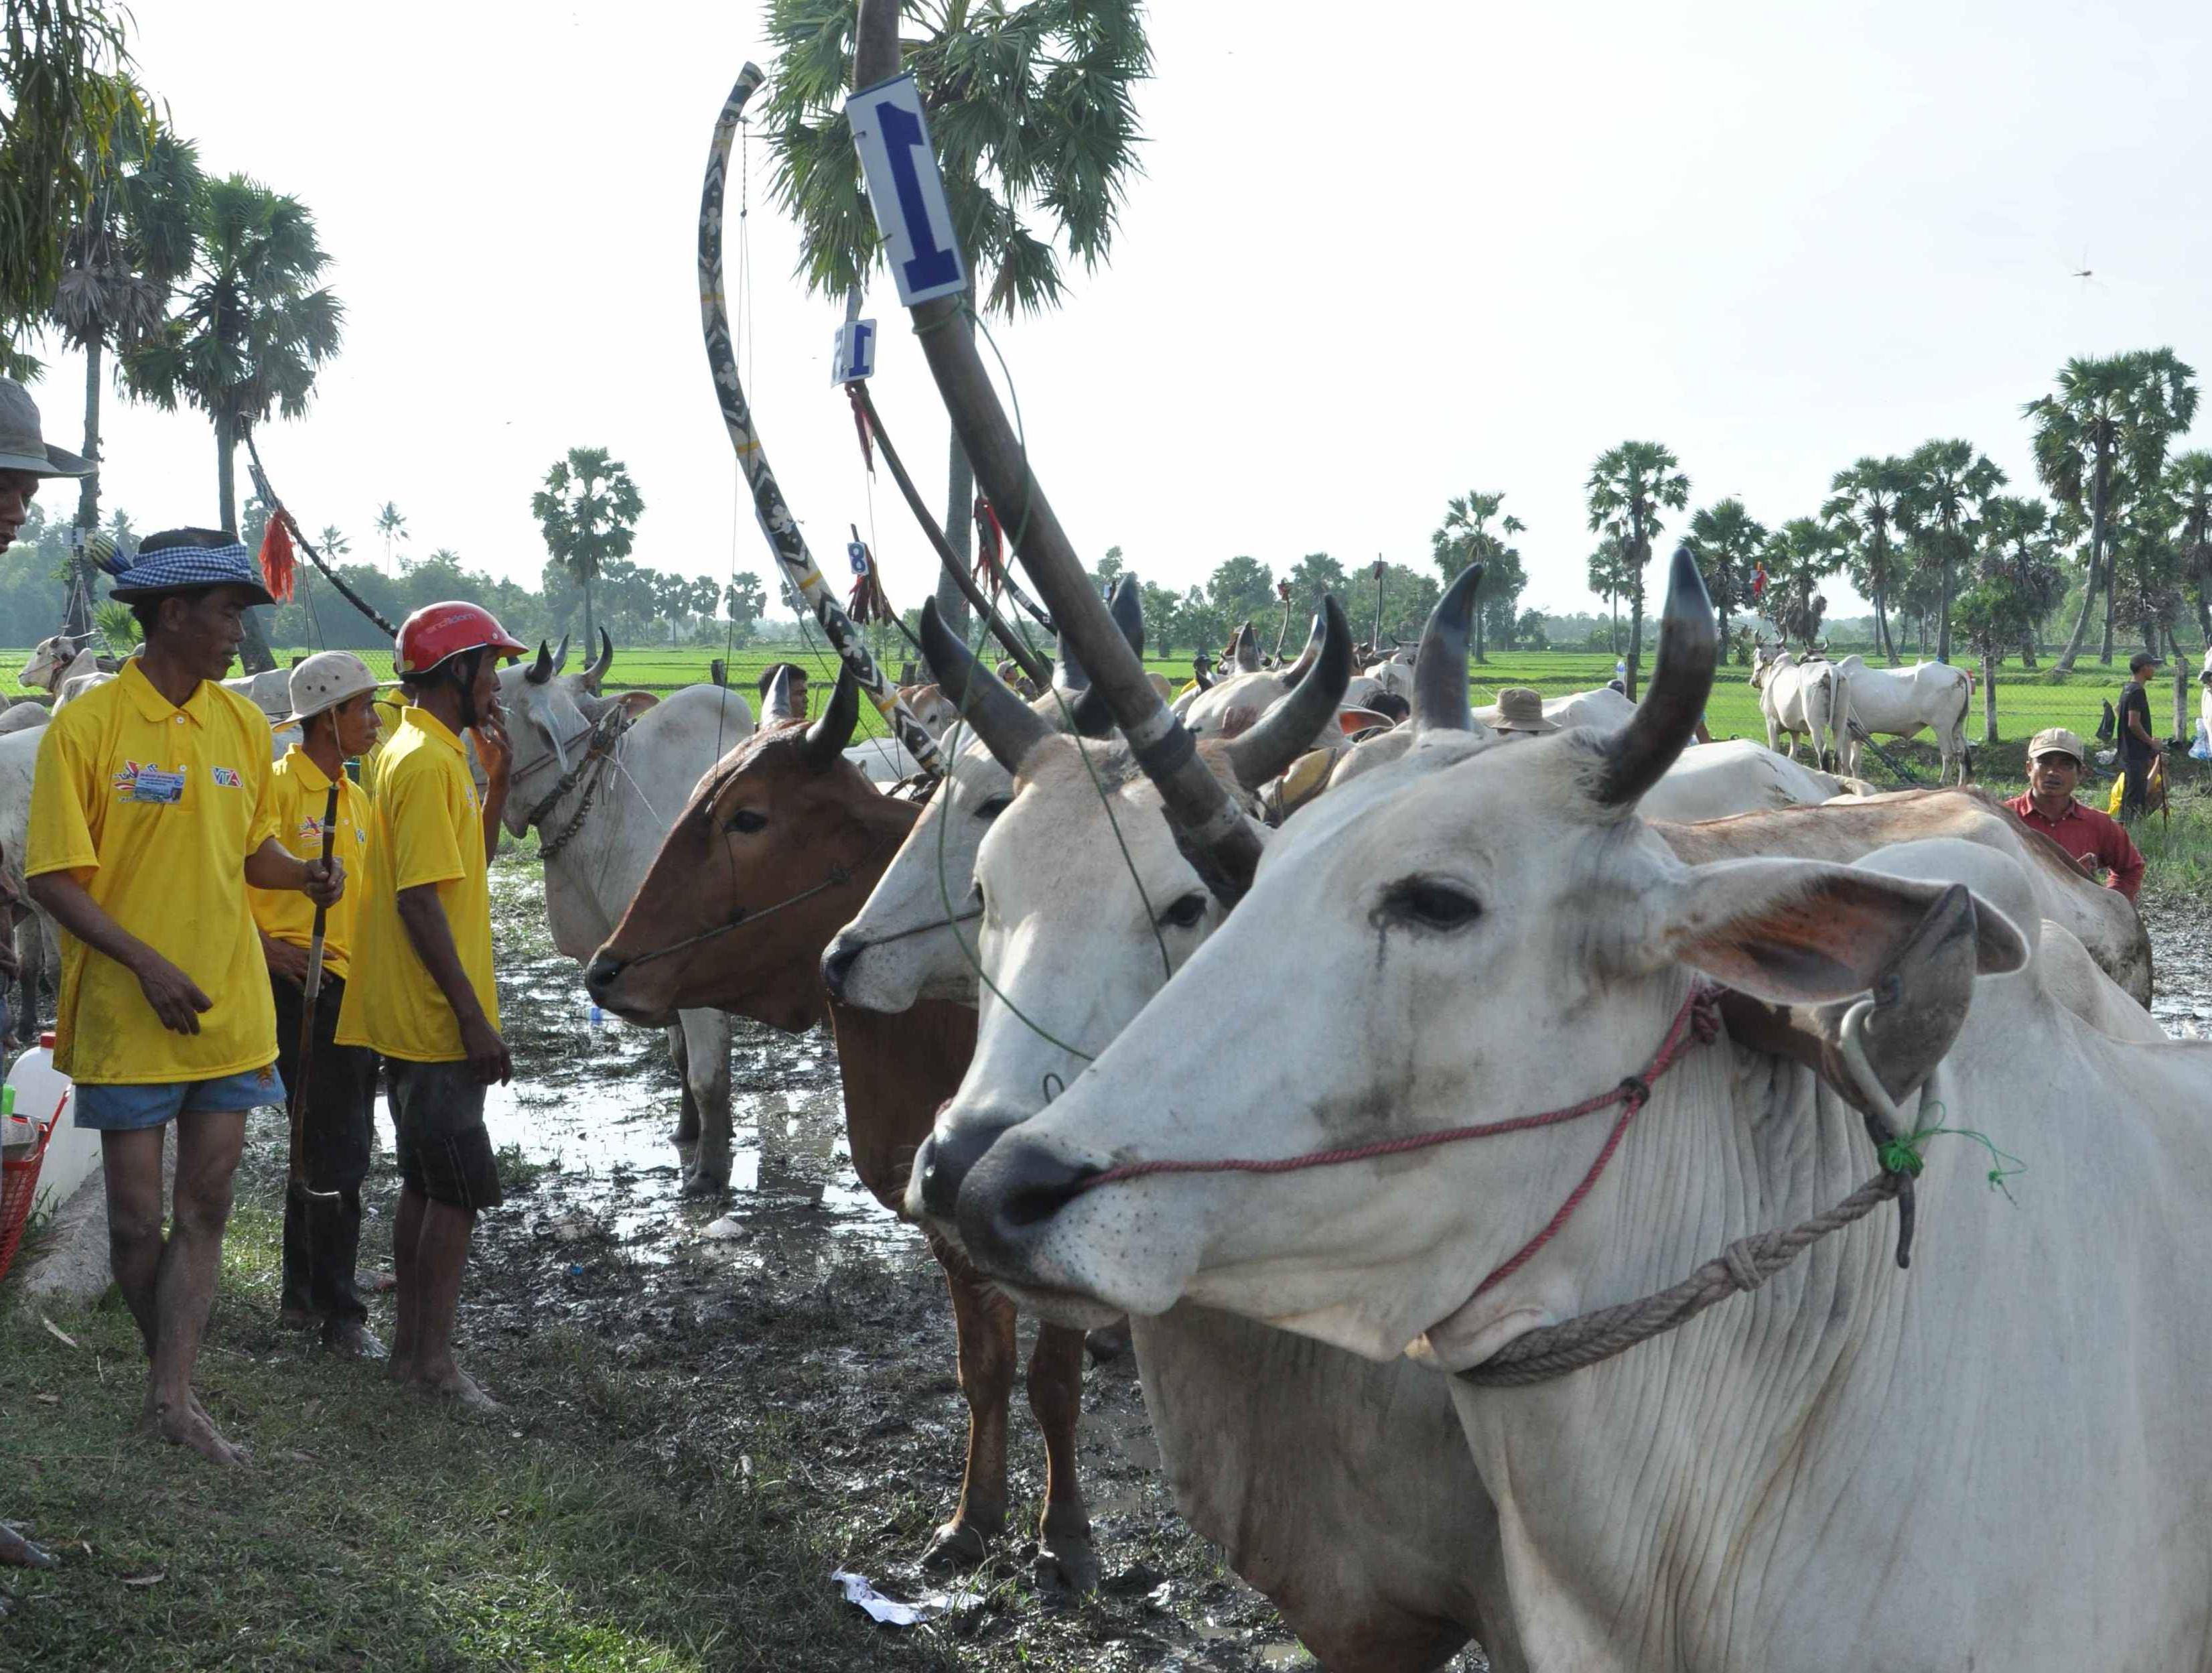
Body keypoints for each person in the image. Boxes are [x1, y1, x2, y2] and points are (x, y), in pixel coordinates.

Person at [25, 528, 345, 1466]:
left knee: (204, 1207)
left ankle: (173, 1395)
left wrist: (302, 875)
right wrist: (149, 965)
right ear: (172, 614)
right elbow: (55, 877)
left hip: (233, 1014)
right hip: (131, 1015)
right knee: (134, 1224)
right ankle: (164, 1371)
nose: (237, 636)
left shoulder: (243, 725)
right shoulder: (86, 728)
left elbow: (248, 853)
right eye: (226, 613)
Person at [336, 602, 522, 1410]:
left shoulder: (424, 752)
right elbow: (418, 902)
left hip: (422, 1013)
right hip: (435, 1018)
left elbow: (459, 874)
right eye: (489, 667)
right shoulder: (424, 764)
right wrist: (472, 1017)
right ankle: (436, 1366)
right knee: (454, 1190)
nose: (497, 681)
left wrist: (500, 781)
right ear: (457, 673)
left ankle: (412, 1358)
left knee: (424, 1182)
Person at [249, 652, 388, 1357]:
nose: (375, 719)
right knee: (334, 1147)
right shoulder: (276, 785)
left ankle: (303, 1298)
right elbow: (228, 868)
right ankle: (340, 1313)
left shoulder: (357, 800)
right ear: (329, 717)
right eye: (364, 707)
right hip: (297, 987)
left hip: (350, 991)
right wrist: (262, 946)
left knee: (329, 1145)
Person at [2005, 727, 2145, 902]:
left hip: (2078, 923)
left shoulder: (2099, 824)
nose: (2053, 772)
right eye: (2044, 762)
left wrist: (2109, 905)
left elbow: (2131, 868)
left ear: (2080, 774)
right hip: (2018, 921)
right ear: (2029, 768)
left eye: (2066, 765)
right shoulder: (2004, 819)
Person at [2117, 650, 2164, 822]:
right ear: (2144, 668)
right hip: (2136, 753)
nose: (2154, 670)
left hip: (2127, 750)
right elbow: (2133, 723)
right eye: (2152, 666)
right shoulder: (2138, 692)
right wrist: (2151, 742)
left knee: (2129, 794)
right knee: (2136, 797)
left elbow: (2118, 710)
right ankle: (2131, 831)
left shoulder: (2127, 688)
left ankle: (2124, 829)